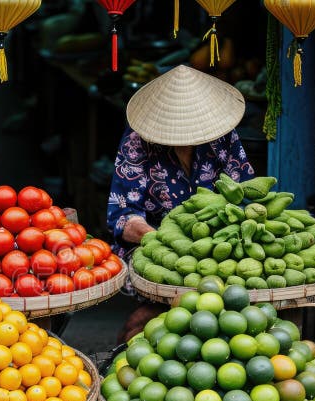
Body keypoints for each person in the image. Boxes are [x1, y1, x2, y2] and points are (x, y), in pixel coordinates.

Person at [106, 65, 255, 342]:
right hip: (157, 246)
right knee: (139, 326)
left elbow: (245, 194)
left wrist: (217, 245)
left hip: (220, 244)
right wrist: (172, 245)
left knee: (226, 314)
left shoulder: (223, 137)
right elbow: (123, 218)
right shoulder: (137, 141)